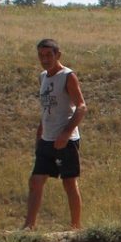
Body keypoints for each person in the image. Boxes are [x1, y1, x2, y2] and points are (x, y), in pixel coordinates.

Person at [23, 38, 87, 231]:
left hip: (66, 140)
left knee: (69, 182)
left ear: (58, 55)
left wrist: (66, 133)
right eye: (41, 55)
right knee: (36, 181)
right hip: (46, 139)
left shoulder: (67, 76)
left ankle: (75, 227)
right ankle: (29, 227)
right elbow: (46, 109)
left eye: (49, 55)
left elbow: (81, 107)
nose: (44, 59)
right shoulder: (43, 77)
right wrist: (39, 134)